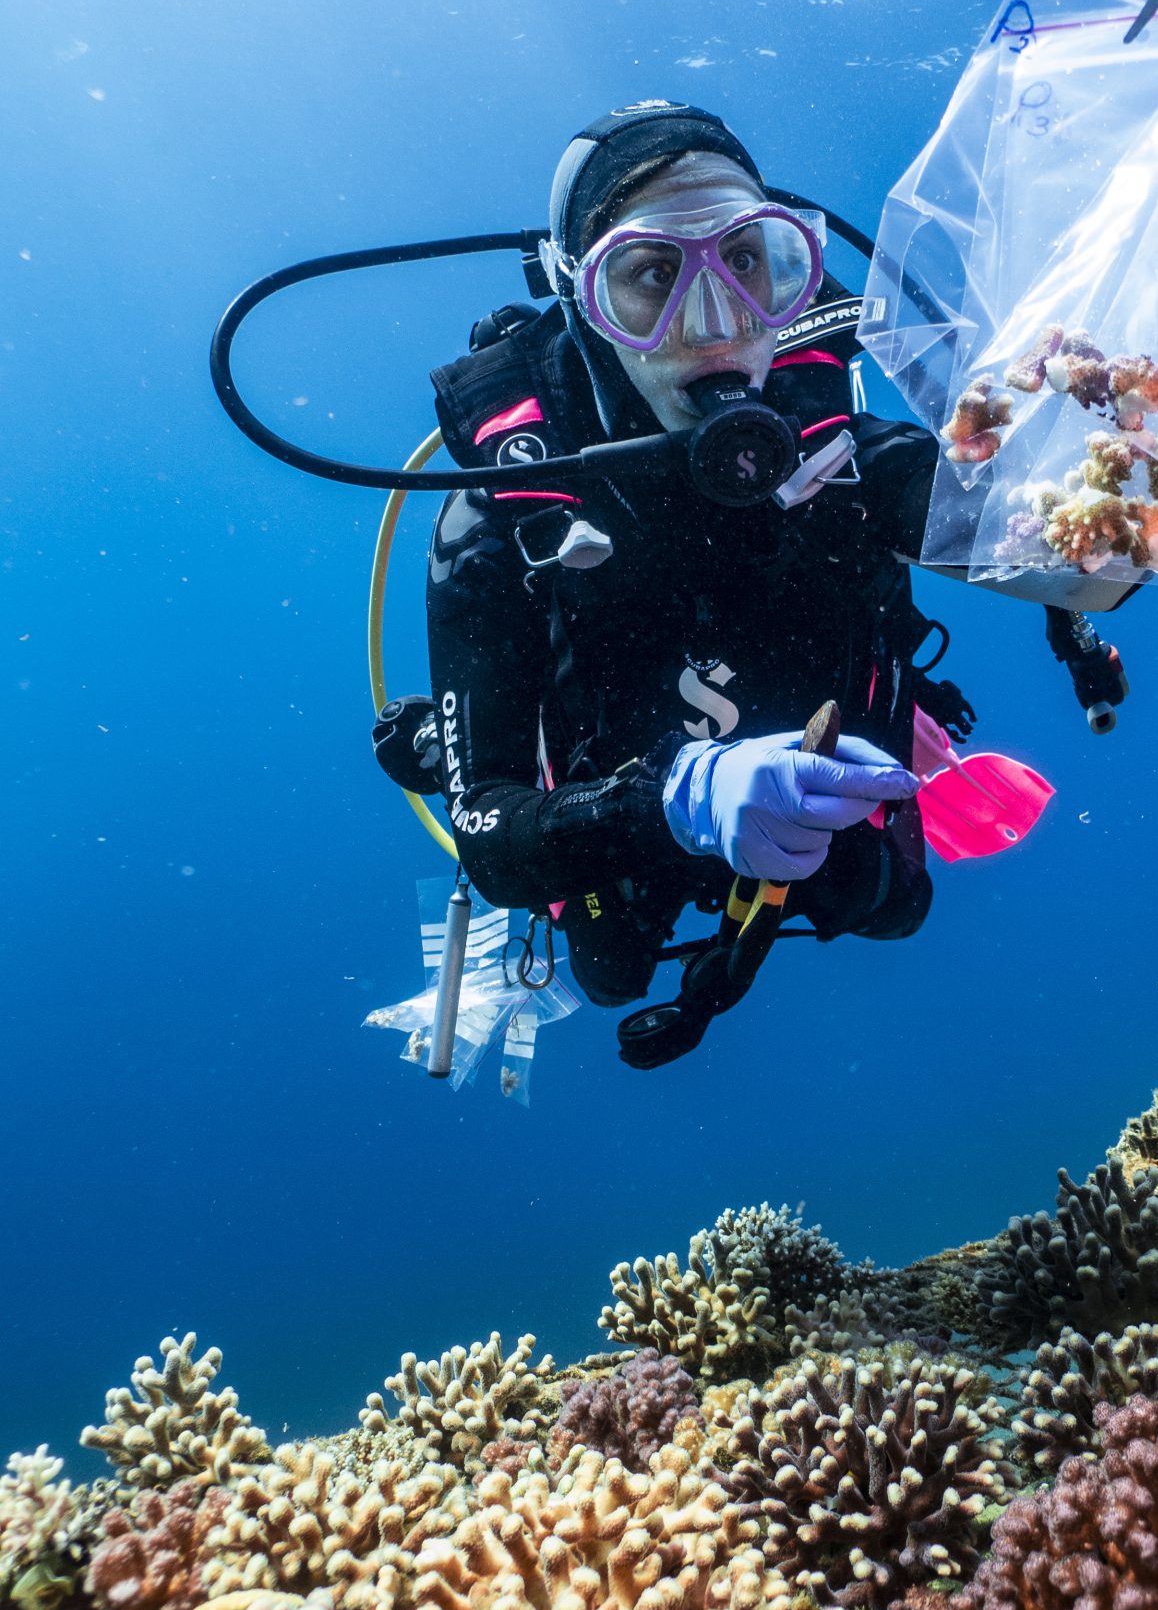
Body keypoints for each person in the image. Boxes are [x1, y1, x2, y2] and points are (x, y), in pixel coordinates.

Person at [419, 101, 1120, 1015]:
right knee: (610, 965)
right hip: (622, 812)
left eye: (747, 261)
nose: (714, 324)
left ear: (794, 274)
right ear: (583, 303)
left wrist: (1139, 462)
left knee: (888, 901)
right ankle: (447, 741)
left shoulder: (849, 459)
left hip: (825, 779)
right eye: (650, 274)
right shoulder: (506, 520)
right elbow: (489, 839)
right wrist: (671, 802)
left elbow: (1091, 561)